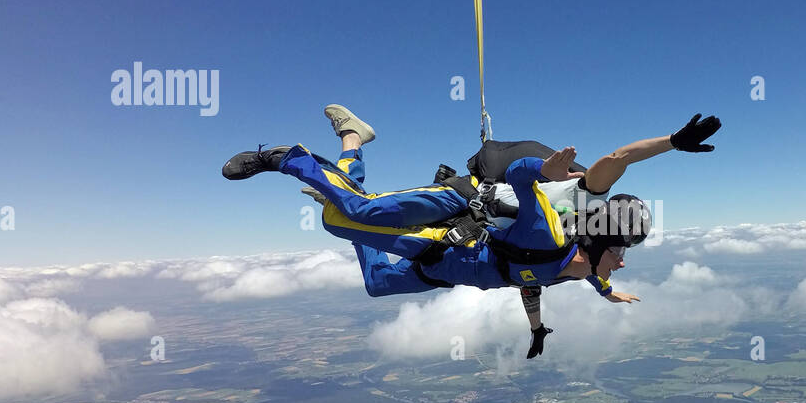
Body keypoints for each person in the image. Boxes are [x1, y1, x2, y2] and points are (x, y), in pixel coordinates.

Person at [223, 105, 720, 357]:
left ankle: (351, 147)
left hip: (459, 257)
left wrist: (543, 325)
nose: (624, 259)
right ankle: (288, 158)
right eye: (623, 247)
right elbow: (617, 158)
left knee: (374, 276)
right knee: (348, 213)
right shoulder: (576, 206)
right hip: (462, 203)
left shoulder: (571, 259)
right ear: (603, 234)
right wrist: (673, 141)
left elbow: (537, 278)